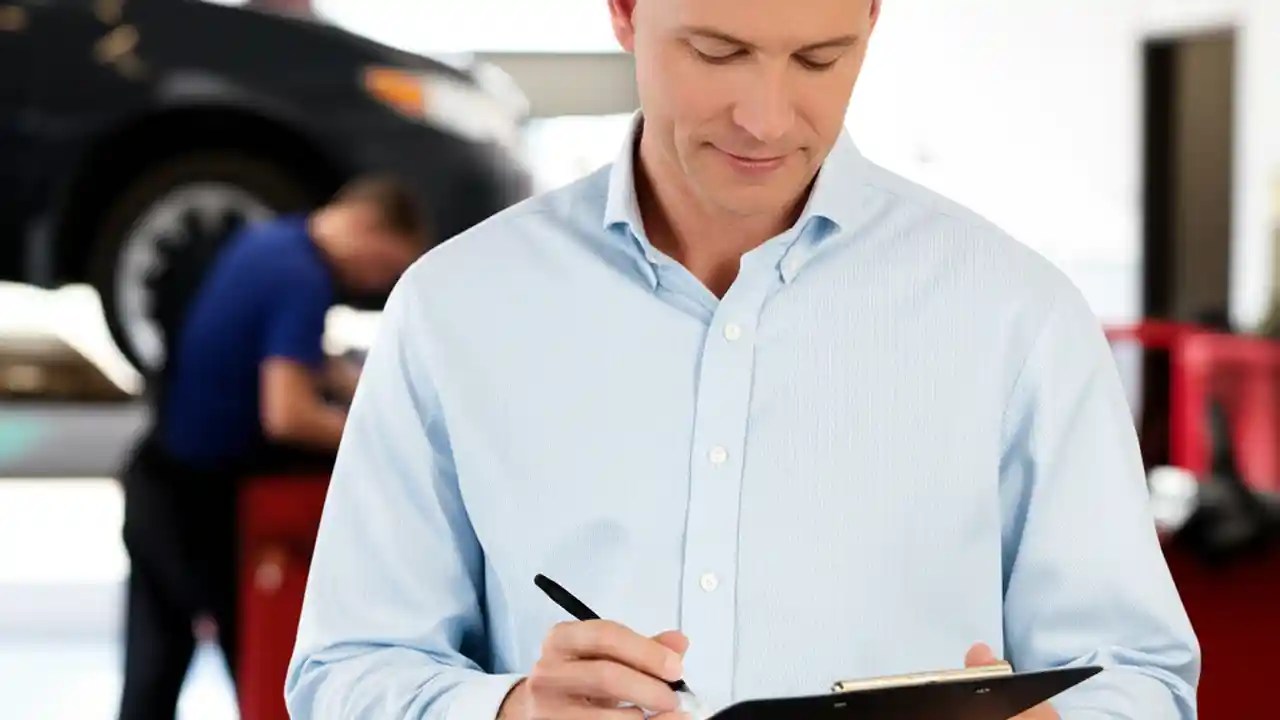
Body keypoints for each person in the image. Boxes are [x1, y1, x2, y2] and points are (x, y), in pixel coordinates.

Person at [286, 1, 1200, 718]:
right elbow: (343, 670)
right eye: (717, 53)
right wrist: (512, 709)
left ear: (872, 20)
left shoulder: (1019, 317)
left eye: (818, 59)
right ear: (625, 11)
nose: (765, 119)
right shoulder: (456, 309)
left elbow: (1141, 679)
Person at [117, 175, 428, 720]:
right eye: (387, 267)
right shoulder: (302, 279)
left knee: (153, 669)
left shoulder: (272, 241)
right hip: (197, 501)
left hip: (154, 472)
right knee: (263, 669)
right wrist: (384, 440)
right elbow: (287, 415)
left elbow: (305, 363)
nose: (377, 284)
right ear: (366, 226)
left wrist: (372, 392)